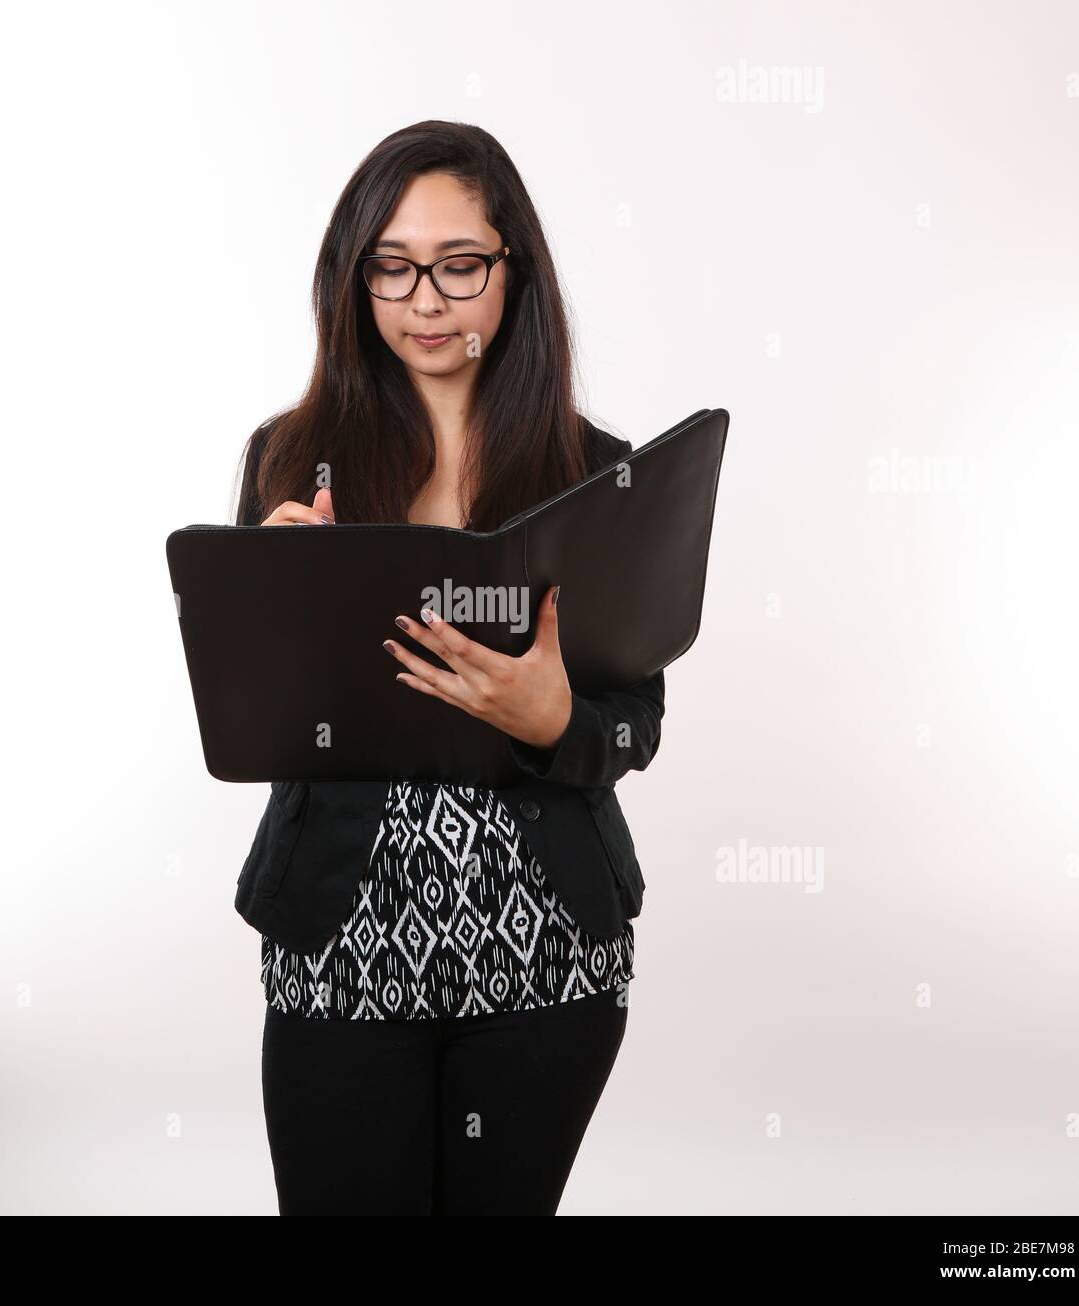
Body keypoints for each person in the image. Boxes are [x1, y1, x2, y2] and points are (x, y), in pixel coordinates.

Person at [232, 120, 665, 1216]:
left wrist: (554, 716)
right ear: (353, 279)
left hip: (549, 962)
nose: (425, 300)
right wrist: (273, 610)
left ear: (512, 269)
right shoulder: (286, 460)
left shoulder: (595, 475)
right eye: (391, 267)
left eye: (459, 265)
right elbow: (252, 727)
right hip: (341, 951)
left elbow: (635, 724)